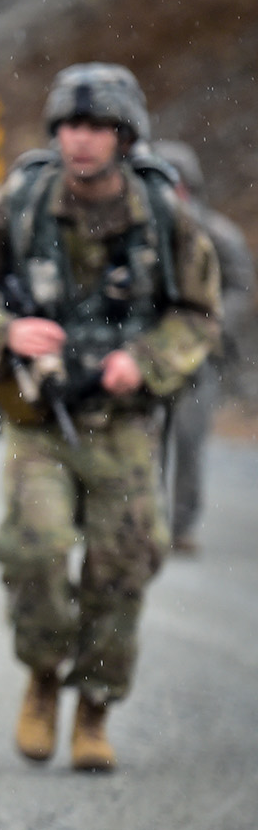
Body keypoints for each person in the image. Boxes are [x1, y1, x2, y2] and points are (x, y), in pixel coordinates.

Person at [0, 64, 220, 772]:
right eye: (70, 125)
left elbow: (199, 312)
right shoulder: (22, 203)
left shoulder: (163, 215)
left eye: (96, 127)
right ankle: (41, 677)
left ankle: (94, 706)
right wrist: (5, 333)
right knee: (34, 549)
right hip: (41, 418)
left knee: (122, 566)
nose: (81, 140)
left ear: (123, 136)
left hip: (124, 425)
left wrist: (147, 360)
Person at [150, 139, 252, 555]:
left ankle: (181, 526)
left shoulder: (217, 233)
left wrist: (209, 326)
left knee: (189, 442)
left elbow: (240, 287)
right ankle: (146, 522)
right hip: (152, 355)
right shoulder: (143, 232)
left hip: (199, 360)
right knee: (146, 439)